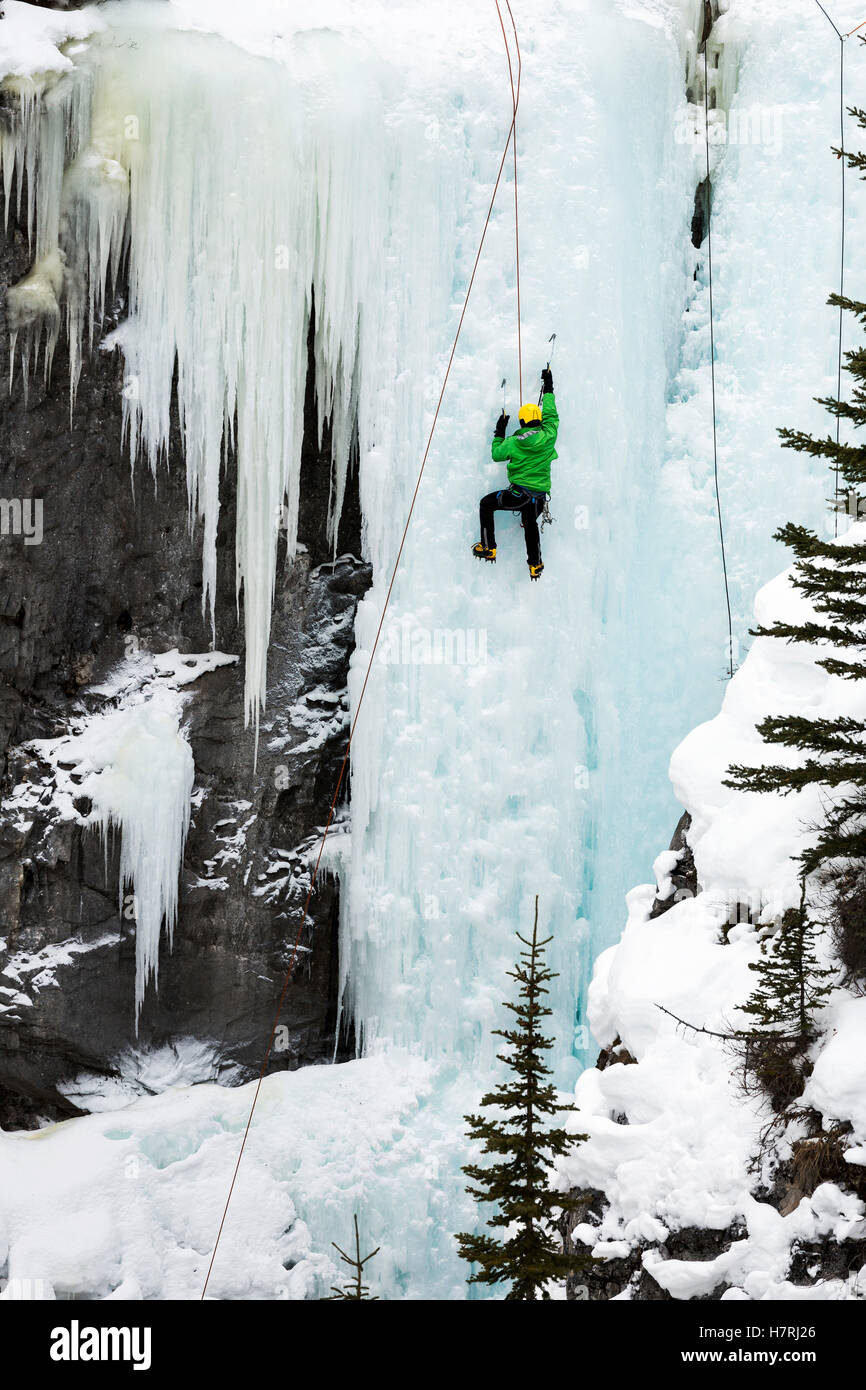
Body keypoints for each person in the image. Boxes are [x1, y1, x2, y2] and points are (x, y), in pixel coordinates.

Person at [472, 368, 558, 580]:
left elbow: (496, 454)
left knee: (486, 504)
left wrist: (499, 432)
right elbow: (551, 414)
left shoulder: (514, 442)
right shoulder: (549, 435)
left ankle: (488, 547)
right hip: (538, 499)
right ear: (539, 420)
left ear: (521, 423)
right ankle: (535, 564)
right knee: (530, 524)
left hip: (519, 495)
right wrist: (548, 386)